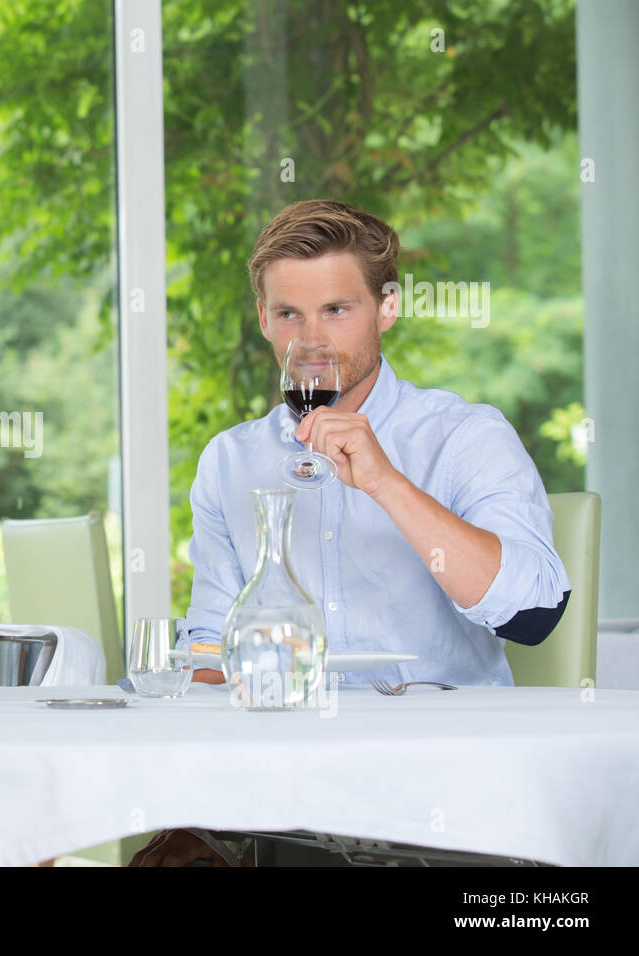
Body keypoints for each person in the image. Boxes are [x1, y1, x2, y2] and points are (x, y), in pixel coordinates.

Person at [131, 199, 570, 866]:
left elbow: (535, 613)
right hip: (282, 806)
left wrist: (386, 484)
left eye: (337, 310)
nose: (310, 340)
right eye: (289, 314)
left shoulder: (464, 436)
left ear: (385, 308)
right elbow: (211, 649)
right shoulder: (231, 461)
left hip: (449, 799)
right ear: (263, 319)